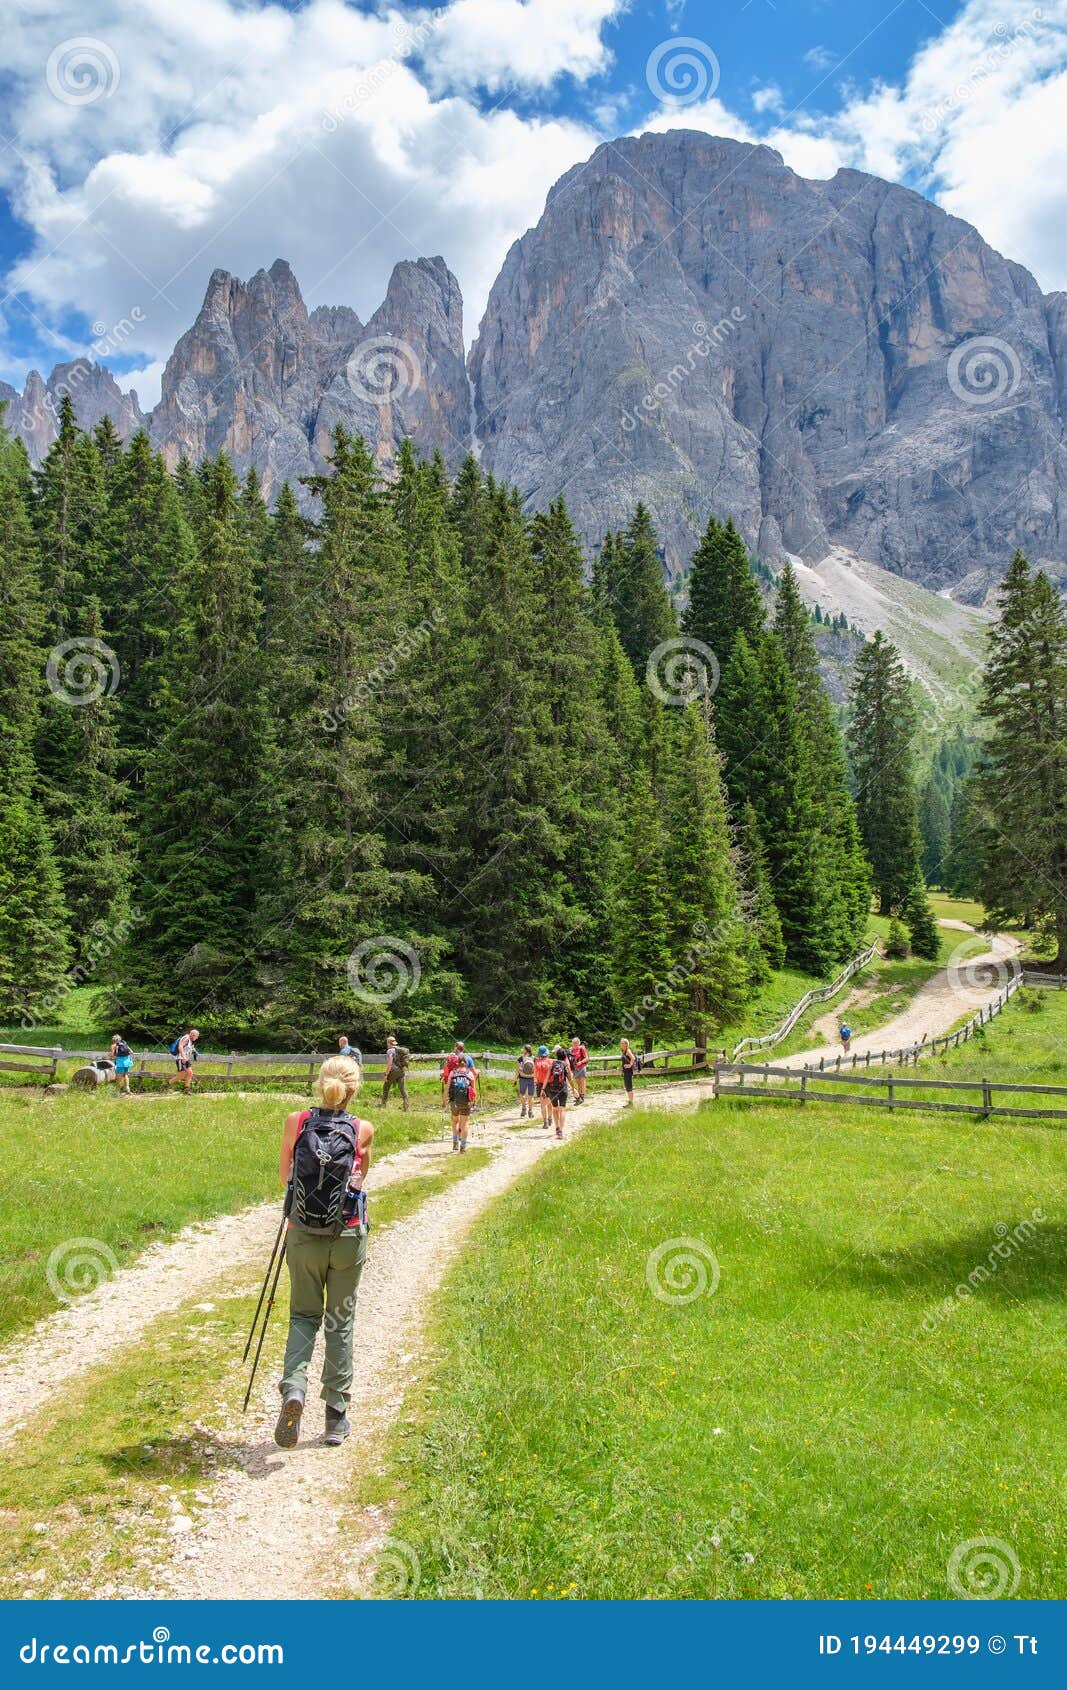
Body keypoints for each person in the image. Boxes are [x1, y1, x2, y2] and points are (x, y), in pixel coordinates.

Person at [275, 1053, 373, 1449]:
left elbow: (286, 1177)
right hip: (347, 1233)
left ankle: (293, 1391)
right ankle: (335, 1417)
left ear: (320, 1083)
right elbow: (361, 1179)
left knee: (302, 1314)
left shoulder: (296, 1122)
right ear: (354, 1089)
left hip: (302, 1232)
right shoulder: (362, 1128)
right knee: (339, 1320)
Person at [441, 1044, 477, 1151]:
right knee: (465, 1123)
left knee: (455, 1121)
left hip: (454, 1101)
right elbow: (473, 1091)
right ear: (466, 1062)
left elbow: (447, 1089)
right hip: (466, 1102)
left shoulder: (452, 1072)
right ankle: (463, 1146)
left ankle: (455, 1142)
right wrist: (473, 1102)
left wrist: (444, 1101)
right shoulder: (470, 1074)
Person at [545, 1045, 570, 1139]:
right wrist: (573, 1088)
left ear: (556, 1055)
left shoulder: (552, 1064)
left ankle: (557, 1128)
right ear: (564, 1056)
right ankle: (561, 1131)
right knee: (562, 1109)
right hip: (563, 1089)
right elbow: (570, 1078)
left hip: (552, 1089)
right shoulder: (566, 1065)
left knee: (555, 1109)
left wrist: (543, 1089)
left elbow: (547, 1077)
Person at [381, 1035, 409, 1111]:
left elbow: (390, 1063)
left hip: (394, 1070)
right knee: (402, 1088)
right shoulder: (399, 1049)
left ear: (388, 1042)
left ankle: (383, 1104)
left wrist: (386, 1074)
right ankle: (406, 1105)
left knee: (386, 1086)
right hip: (401, 1070)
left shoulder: (390, 1051)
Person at [168, 1027, 200, 1092]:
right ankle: (167, 1084)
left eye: (196, 1037)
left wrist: (193, 1051)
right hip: (181, 1058)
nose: (196, 1038)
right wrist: (183, 1057)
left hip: (186, 1059)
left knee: (190, 1073)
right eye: (196, 1036)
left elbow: (186, 1049)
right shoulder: (186, 1038)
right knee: (181, 1075)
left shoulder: (190, 1041)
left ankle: (186, 1090)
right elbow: (180, 1047)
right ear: (192, 1034)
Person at [532, 1043, 553, 1129]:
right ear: (547, 1053)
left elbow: (535, 1075)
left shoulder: (536, 1063)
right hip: (550, 1084)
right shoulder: (551, 1061)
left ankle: (545, 1122)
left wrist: (535, 1083)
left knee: (542, 1104)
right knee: (550, 1103)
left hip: (540, 1085)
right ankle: (550, 1118)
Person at [515, 1044, 536, 1119]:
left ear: (526, 1050)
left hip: (523, 1078)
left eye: (523, 1049)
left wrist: (515, 1079)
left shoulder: (520, 1059)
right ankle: (530, 1111)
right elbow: (536, 1070)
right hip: (532, 1078)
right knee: (531, 1096)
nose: (522, 1050)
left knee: (522, 1094)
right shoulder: (534, 1058)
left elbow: (517, 1070)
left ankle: (524, 1108)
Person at [568, 1035, 589, 1105]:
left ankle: (582, 1096)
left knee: (582, 1082)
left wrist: (581, 1062)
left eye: (576, 1043)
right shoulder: (571, 1050)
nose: (575, 1044)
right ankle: (579, 1096)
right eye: (574, 1043)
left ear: (579, 1043)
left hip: (581, 1067)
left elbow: (586, 1058)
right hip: (574, 1068)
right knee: (578, 1082)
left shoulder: (582, 1048)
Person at [620, 1037, 637, 1105]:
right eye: (621, 1043)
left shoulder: (628, 1050)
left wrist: (629, 1065)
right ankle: (630, 1102)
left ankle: (631, 1103)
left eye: (622, 1043)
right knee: (627, 1086)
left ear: (626, 1044)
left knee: (629, 1087)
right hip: (626, 1071)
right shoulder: (624, 1051)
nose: (620, 1044)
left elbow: (633, 1058)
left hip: (628, 1071)